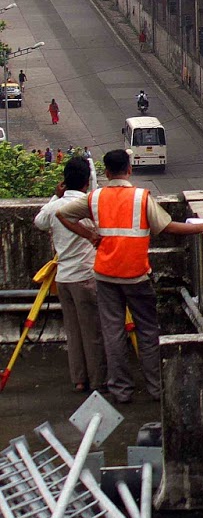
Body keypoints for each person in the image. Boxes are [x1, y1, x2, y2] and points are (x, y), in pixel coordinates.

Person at [54, 149, 203, 403]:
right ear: (129, 169)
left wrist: (90, 236)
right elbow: (168, 227)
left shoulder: (95, 197)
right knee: (147, 332)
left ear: (107, 172)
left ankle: (121, 390)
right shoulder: (140, 198)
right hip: (135, 275)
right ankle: (156, 388)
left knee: (112, 333)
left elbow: (62, 214)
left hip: (105, 275)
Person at [34, 156, 104, 393]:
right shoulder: (88, 205)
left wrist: (56, 195)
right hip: (85, 275)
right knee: (92, 333)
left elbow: (40, 221)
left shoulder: (56, 207)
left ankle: (79, 379)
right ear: (87, 182)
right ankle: (97, 380)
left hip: (63, 276)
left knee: (73, 333)